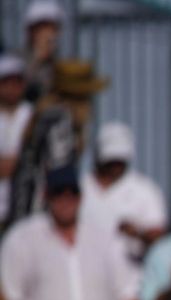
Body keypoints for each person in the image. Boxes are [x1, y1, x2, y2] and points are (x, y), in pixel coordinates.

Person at [0, 165, 141, 300]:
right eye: (58, 193)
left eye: (71, 193)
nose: (66, 200)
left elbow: (129, 295)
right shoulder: (23, 239)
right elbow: (7, 296)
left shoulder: (106, 238)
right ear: (46, 196)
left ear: (80, 197)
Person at [6, 59, 107, 229]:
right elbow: (59, 178)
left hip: (27, 211)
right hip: (36, 215)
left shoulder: (47, 116)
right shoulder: (59, 122)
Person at [78, 121, 168, 276]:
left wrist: (137, 233)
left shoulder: (145, 190)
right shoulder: (80, 188)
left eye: (120, 159)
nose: (116, 165)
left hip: (129, 277)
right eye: (111, 159)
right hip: (85, 275)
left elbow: (159, 237)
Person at [0, 55, 33, 229]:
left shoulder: (32, 115)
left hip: (25, 210)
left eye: (18, 82)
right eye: (7, 82)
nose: (13, 88)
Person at [21, 0, 63, 103]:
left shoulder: (58, 61)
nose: (48, 33)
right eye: (42, 27)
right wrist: (37, 60)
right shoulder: (17, 59)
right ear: (31, 31)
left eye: (52, 28)